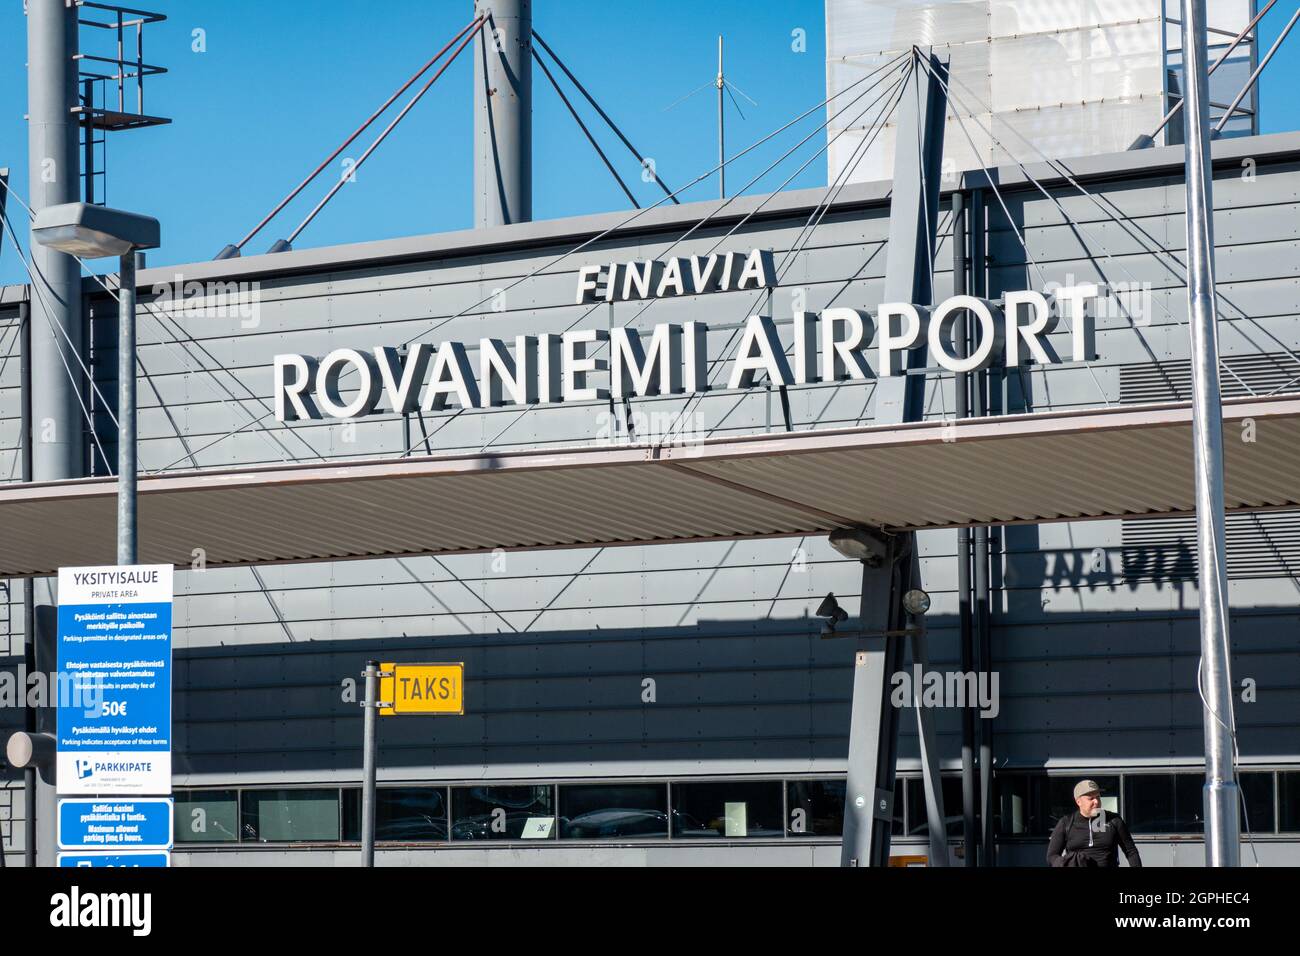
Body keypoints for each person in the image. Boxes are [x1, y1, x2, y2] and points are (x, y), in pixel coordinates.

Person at [1046, 779, 1142, 867]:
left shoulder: (1114, 820)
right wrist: (1065, 864)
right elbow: (1052, 856)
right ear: (1078, 801)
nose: (1096, 801)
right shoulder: (1066, 823)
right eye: (1091, 798)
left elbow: (1131, 851)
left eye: (1098, 797)